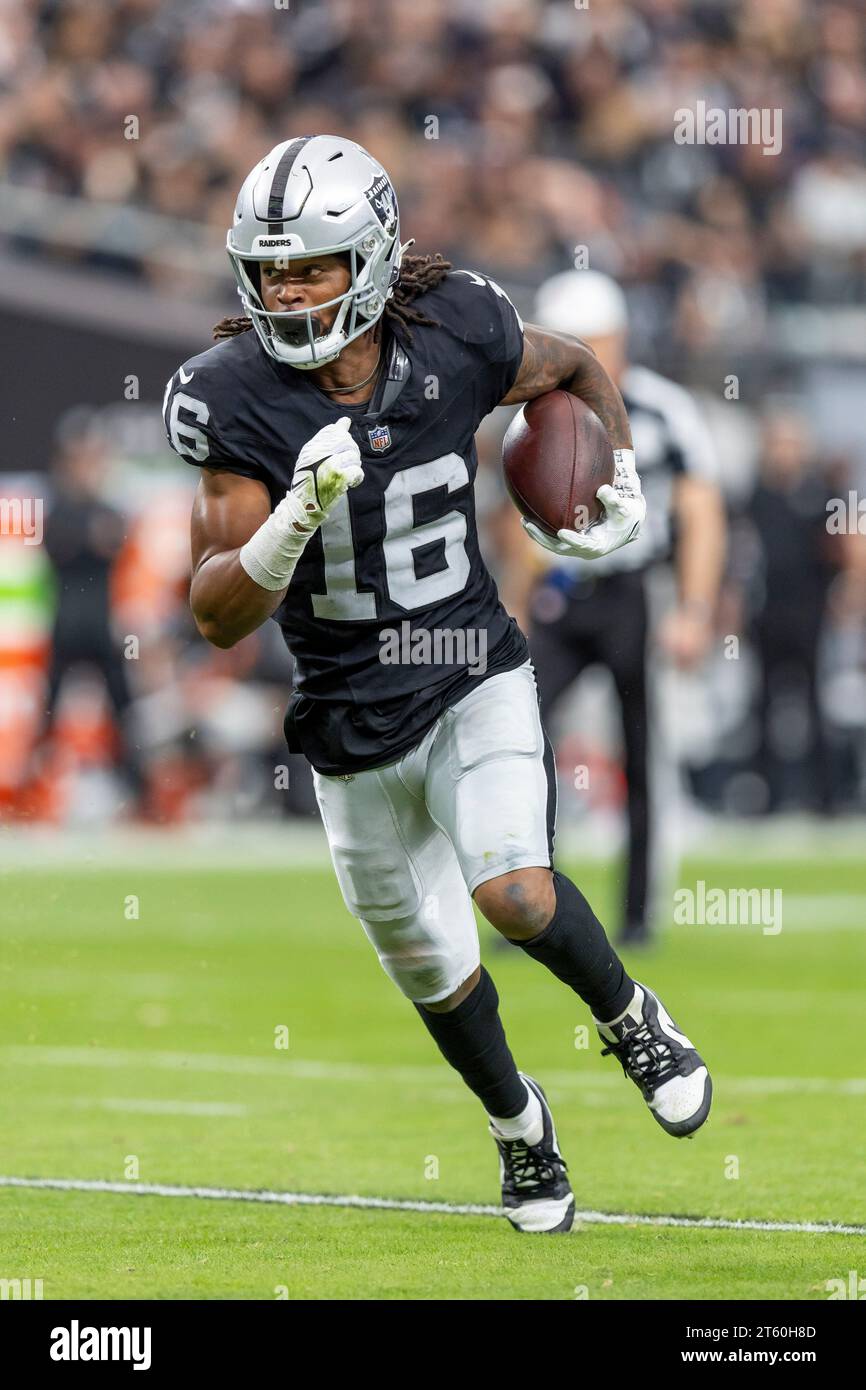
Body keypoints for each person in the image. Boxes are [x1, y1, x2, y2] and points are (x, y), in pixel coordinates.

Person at [164, 134, 712, 1235]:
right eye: (268, 269)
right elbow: (215, 611)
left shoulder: (456, 324)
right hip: (344, 717)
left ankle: (629, 1013)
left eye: (308, 266)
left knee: (512, 890)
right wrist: (290, 520)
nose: (284, 289)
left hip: (469, 668)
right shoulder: (230, 396)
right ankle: (521, 1133)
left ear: (367, 257)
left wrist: (616, 475)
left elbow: (570, 369)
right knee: (429, 968)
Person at [518, 270, 726, 946]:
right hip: (560, 592)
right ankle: (532, 899)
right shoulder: (536, 412)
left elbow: (700, 509)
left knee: (641, 748)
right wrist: (521, 600)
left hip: (632, 590)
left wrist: (695, 607)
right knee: (520, 736)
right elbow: (511, 517)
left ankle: (637, 914)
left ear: (619, 337)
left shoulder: (661, 409)